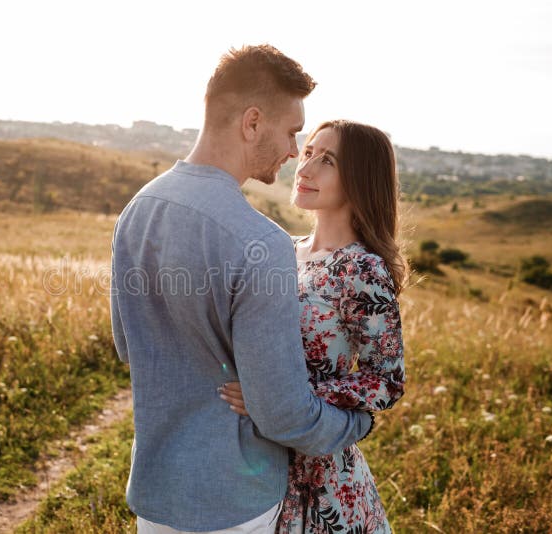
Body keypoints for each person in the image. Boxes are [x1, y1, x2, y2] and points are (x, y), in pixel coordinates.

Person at [110, 45, 373, 533]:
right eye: (293, 132)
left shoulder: (137, 211)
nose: (296, 150)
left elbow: (128, 346)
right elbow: (284, 416)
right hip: (234, 504)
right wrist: (358, 423)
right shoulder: (262, 243)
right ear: (252, 122)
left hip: (154, 497)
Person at [219, 120, 407, 533]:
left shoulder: (362, 268)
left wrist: (284, 398)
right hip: (251, 461)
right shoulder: (281, 250)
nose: (305, 169)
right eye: (307, 154)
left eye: (328, 161)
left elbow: (386, 381)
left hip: (321, 479)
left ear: (360, 178)